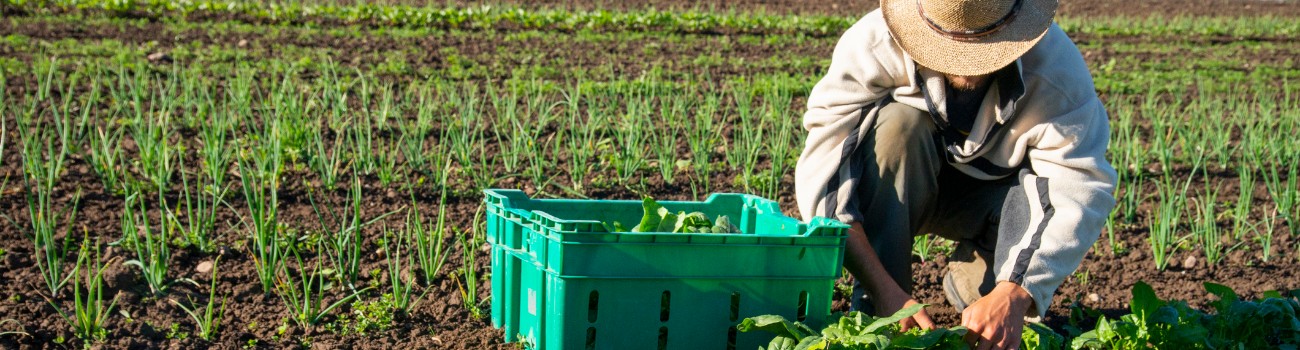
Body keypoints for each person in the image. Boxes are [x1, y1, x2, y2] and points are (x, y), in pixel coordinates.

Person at [793, 0, 1116, 348]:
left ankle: (974, 280)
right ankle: (879, 313)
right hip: (901, 187)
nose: (965, 66)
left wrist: (1015, 291)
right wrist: (886, 292)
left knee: (1028, 213)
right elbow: (824, 177)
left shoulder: (1056, 72)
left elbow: (1079, 186)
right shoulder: (873, 45)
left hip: (994, 199)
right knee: (897, 129)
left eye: (983, 50)